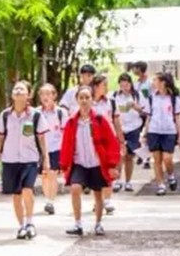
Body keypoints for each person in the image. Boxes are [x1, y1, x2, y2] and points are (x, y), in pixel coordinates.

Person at [0, 81, 50, 240]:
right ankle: (21, 226)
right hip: (10, 160)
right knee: (16, 194)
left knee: (27, 189)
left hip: (30, 159)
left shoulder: (35, 116)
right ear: (12, 94)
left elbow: (42, 139)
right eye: (15, 88)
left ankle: (30, 222)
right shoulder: (5, 115)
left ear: (28, 95)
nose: (18, 91)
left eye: (21, 89)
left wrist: (46, 159)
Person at [61, 86, 121, 236]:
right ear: (76, 100)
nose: (84, 101)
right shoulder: (71, 122)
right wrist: (64, 164)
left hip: (96, 163)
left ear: (92, 100)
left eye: (87, 97)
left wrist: (112, 164)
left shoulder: (100, 120)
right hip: (79, 162)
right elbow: (66, 144)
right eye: (81, 98)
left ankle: (98, 223)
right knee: (75, 188)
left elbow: (111, 142)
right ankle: (77, 223)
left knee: (98, 193)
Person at [145, 71, 180, 196]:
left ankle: (171, 175)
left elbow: (178, 117)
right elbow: (148, 117)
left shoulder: (173, 98)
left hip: (169, 132)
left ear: (163, 82)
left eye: (155, 80)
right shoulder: (151, 98)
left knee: (167, 158)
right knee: (157, 160)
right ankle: (161, 185)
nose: (153, 82)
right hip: (154, 131)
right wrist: (145, 133)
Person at [111, 73, 149, 193]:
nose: (125, 86)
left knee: (129, 156)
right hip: (119, 128)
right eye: (122, 84)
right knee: (119, 155)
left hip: (134, 128)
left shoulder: (137, 95)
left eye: (127, 84)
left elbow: (145, 111)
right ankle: (117, 180)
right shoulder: (114, 96)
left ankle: (128, 182)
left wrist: (136, 107)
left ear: (130, 84)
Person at [89, 76, 120, 214]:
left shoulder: (111, 102)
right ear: (96, 87)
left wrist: (120, 140)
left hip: (109, 140)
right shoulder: (88, 102)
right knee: (95, 170)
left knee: (109, 168)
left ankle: (107, 200)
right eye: (104, 85)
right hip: (92, 140)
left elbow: (116, 122)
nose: (106, 88)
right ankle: (97, 200)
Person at [37, 83, 67, 215]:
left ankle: (50, 201)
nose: (45, 97)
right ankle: (47, 198)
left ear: (54, 96)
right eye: (43, 94)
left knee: (53, 174)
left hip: (56, 147)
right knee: (44, 175)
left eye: (48, 94)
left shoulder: (61, 113)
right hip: (41, 149)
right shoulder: (36, 113)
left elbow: (65, 132)